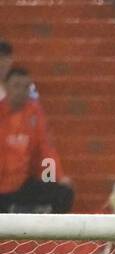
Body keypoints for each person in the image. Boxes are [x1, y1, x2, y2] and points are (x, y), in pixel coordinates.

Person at [0, 66, 73, 214]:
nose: (21, 91)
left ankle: (20, 212)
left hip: (22, 185)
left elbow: (46, 151)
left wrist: (54, 179)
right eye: (16, 86)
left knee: (63, 193)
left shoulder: (35, 114)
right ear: (6, 87)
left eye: (26, 87)